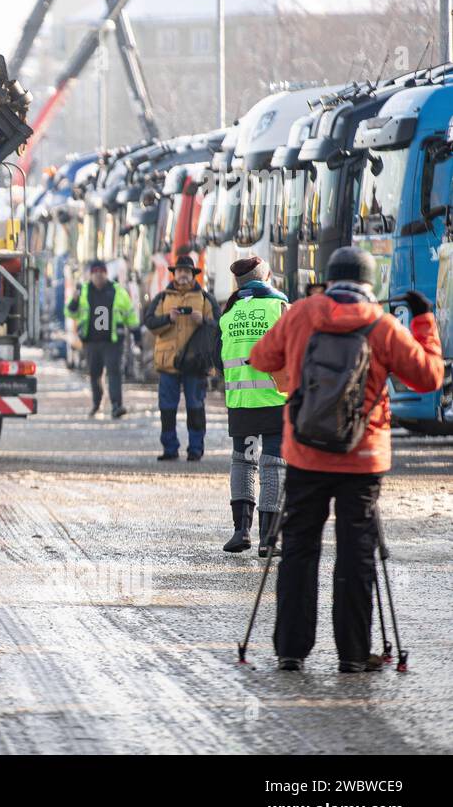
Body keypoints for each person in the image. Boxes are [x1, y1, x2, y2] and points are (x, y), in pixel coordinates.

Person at [249, 246, 443, 673]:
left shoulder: (301, 313)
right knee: (356, 554)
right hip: (363, 460)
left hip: (304, 452)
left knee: (298, 548)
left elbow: (262, 358)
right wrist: (425, 320)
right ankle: (353, 655)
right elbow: (429, 377)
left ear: (329, 278)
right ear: (369, 282)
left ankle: (291, 651)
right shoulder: (383, 324)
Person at [217, 257, 288, 555]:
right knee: (273, 464)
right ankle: (269, 540)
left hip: (241, 402)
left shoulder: (228, 313)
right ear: (267, 277)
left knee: (244, 461)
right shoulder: (279, 307)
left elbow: (215, 357)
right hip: (274, 401)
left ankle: (241, 531)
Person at [144, 254, 219, 461]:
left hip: (196, 363)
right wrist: (169, 318)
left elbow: (220, 326)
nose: (183, 275)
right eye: (180, 271)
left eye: (187, 272)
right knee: (167, 408)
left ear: (193, 274)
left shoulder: (205, 299)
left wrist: (202, 320)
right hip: (168, 363)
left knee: (195, 407)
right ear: (174, 274)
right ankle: (170, 448)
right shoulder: (162, 297)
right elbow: (150, 322)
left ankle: (196, 449)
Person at [65, 260, 137, 418]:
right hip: (91, 341)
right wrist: (75, 300)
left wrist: (135, 330)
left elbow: (129, 312)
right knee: (95, 374)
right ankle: (97, 404)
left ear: (106, 273)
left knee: (114, 372)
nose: (98, 275)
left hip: (112, 341)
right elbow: (70, 313)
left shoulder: (117, 290)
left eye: (101, 272)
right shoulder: (83, 291)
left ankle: (117, 405)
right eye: (95, 272)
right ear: (90, 275)